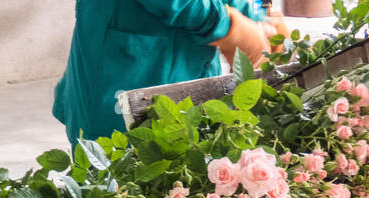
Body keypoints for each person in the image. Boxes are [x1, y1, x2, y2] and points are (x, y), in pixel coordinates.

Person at [53, 2, 286, 143]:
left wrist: (256, 21)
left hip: (186, 63)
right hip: (124, 70)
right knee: (119, 188)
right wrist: (229, 26)